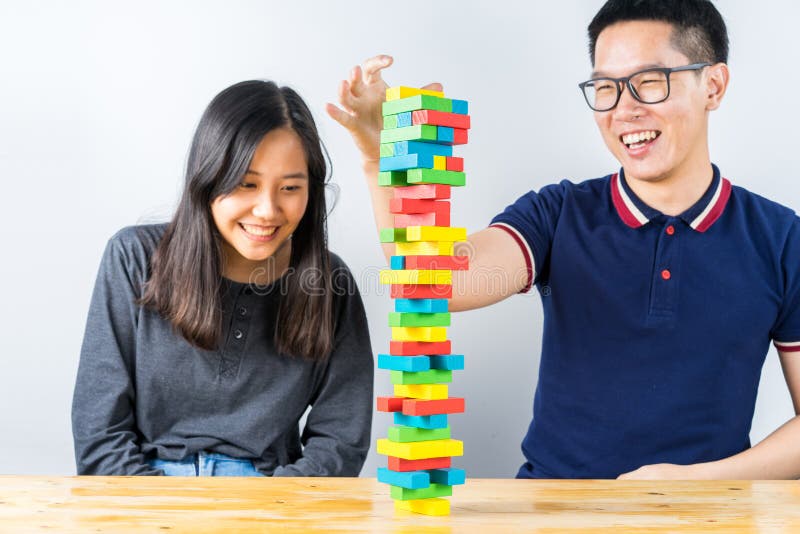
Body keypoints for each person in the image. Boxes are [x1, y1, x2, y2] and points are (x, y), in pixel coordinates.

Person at [327, 0, 800, 479]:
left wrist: (698, 484)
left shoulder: (782, 240)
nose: (624, 109)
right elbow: (438, 282)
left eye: (650, 81)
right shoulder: (558, 214)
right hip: (553, 505)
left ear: (713, 86)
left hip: (708, 511)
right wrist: (383, 162)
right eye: (606, 88)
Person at [72, 80, 374, 477]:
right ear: (208, 176)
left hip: (274, 494)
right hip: (144, 490)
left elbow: (341, 441)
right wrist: (154, 506)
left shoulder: (330, 283)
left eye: (289, 188)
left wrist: (275, 504)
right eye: (247, 184)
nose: (267, 210)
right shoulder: (133, 257)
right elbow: (99, 432)